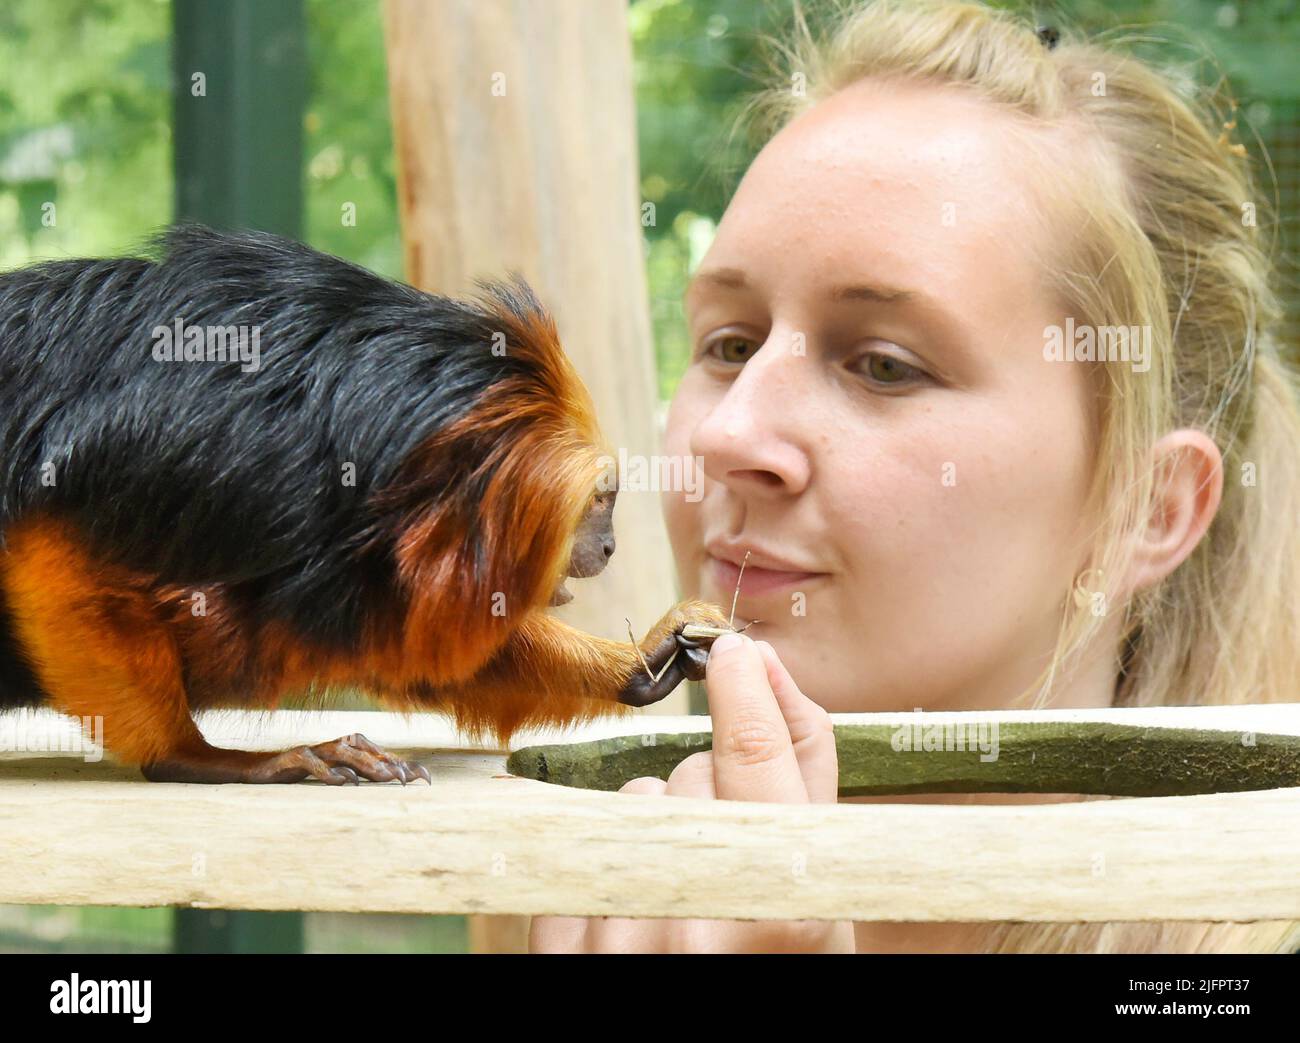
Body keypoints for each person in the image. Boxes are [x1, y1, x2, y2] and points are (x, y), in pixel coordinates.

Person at [531, 0, 1300, 953]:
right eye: (729, 344)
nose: (730, 434)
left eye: (884, 364)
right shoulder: (583, 876)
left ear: (1149, 508)